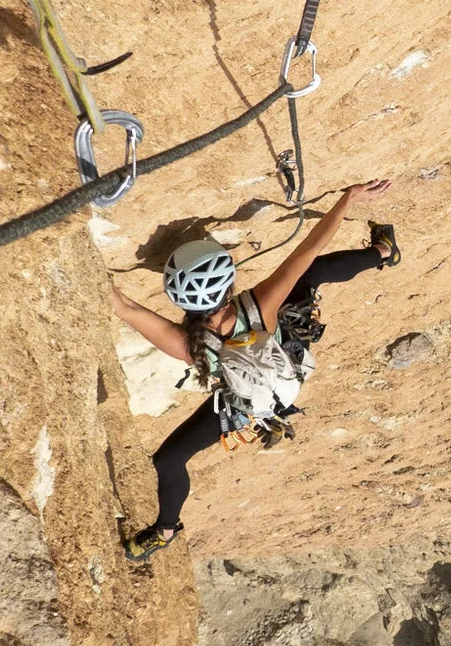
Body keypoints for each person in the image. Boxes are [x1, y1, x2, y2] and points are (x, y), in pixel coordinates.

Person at [113, 178, 395, 560]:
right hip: (284, 367)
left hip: (248, 407)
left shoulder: (187, 347)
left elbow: (126, 308)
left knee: (169, 461)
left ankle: (165, 531)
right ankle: (383, 251)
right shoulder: (260, 305)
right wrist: (347, 199)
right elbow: (308, 250)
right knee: (308, 275)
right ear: (229, 287)